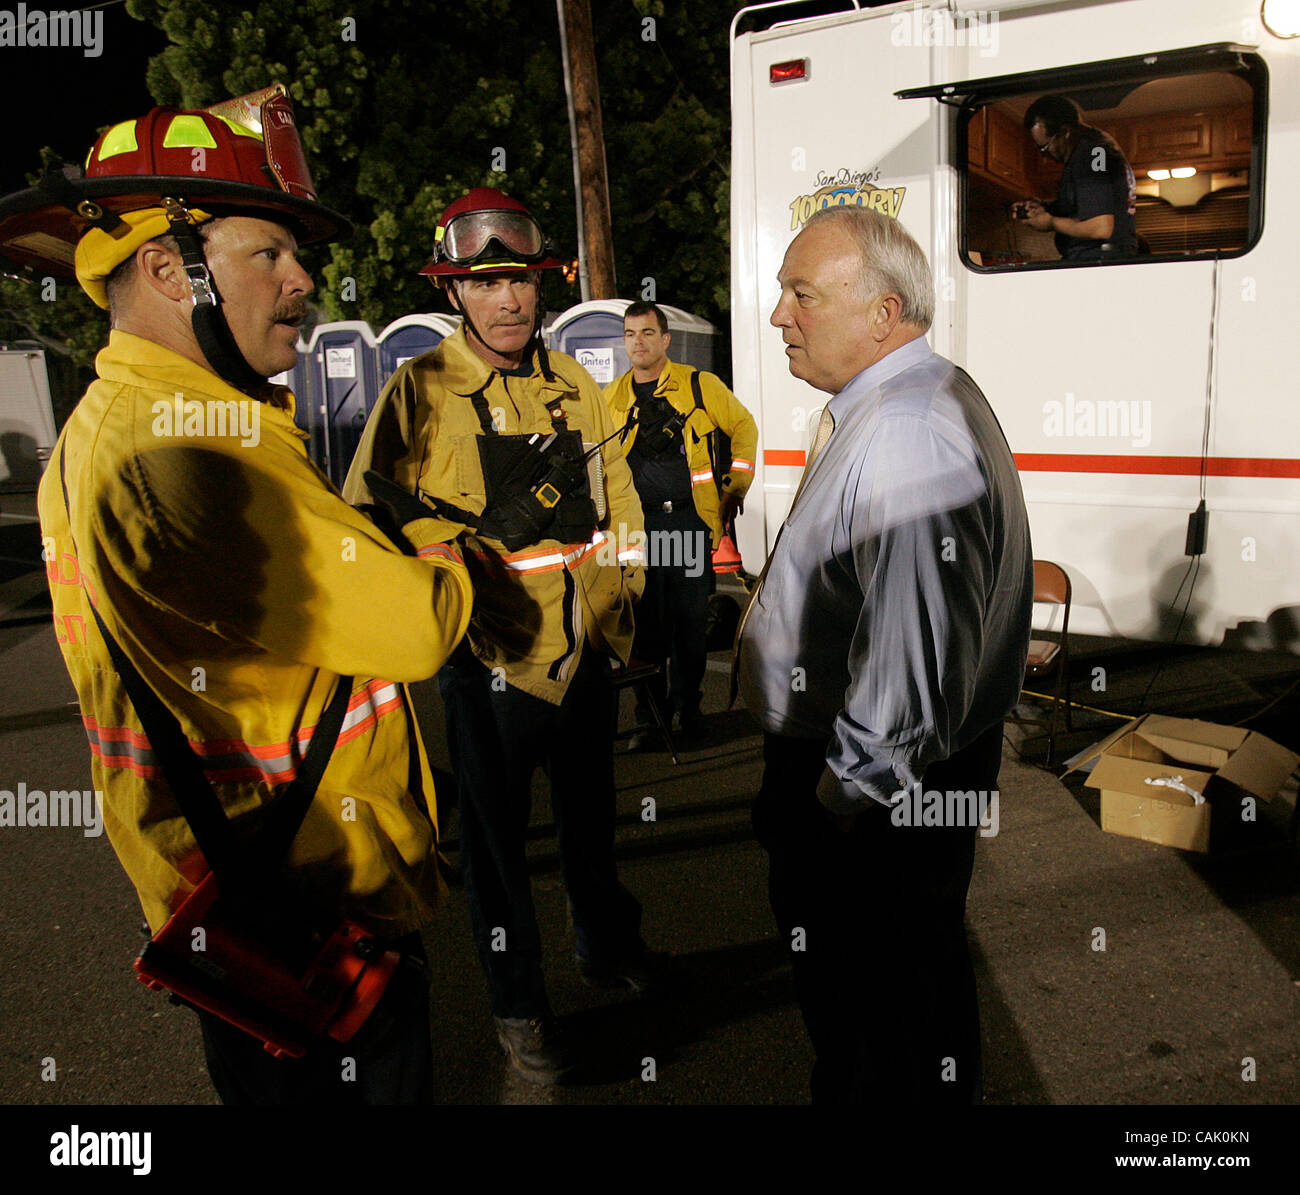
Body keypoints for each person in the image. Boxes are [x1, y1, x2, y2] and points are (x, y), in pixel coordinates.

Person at [1, 88, 474, 1104]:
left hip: (230, 898)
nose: (304, 279)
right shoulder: (197, 442)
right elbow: (418, 627)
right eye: (269, 252)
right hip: (316, 911)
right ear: (168, 268)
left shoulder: (106, 423)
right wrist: (436, 540)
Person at [343, 188, 664, 1086]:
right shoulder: (419, 390)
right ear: (455, 295)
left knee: (591, 832)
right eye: (487, 286)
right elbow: (366, 508)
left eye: (519, 281)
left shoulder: (575, 386)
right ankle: (519, 1006)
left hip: (585, 656)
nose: (510, 302)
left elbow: (622, 506)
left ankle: (607, 945)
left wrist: (626, 600)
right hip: (489, 667)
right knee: (495, 859)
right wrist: (443, 552)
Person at [737, 206, 1033, 1104]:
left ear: (883, 312)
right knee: (909, 1007)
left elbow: (909, 660)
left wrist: (839, 799)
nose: (779, 315)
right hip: (896, 782)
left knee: (877, 1029)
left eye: (801, 294)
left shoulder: (904, 432)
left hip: (869, 797)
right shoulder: (912, 400)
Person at [604, 301, 757, 745]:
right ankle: (651, 721)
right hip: (637, 530)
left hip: (684, 526)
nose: (639, 342)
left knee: (688, 626)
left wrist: (736, 485)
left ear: (665, 339)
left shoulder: (698, 385)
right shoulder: (611, 398)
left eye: (648, 333)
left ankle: (689, 713)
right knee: (644, 628)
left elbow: (743, 426)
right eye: (631, 334)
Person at [1014, 93, 1138, 261]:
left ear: (1065, 132)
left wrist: (1051, 222)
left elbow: (1100, 228)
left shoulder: (1093, 154)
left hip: (1096, 259)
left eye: (1045, 147)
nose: (1045, 156)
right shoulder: (1098, 146)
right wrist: (1043, 208)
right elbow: (1090, 204)